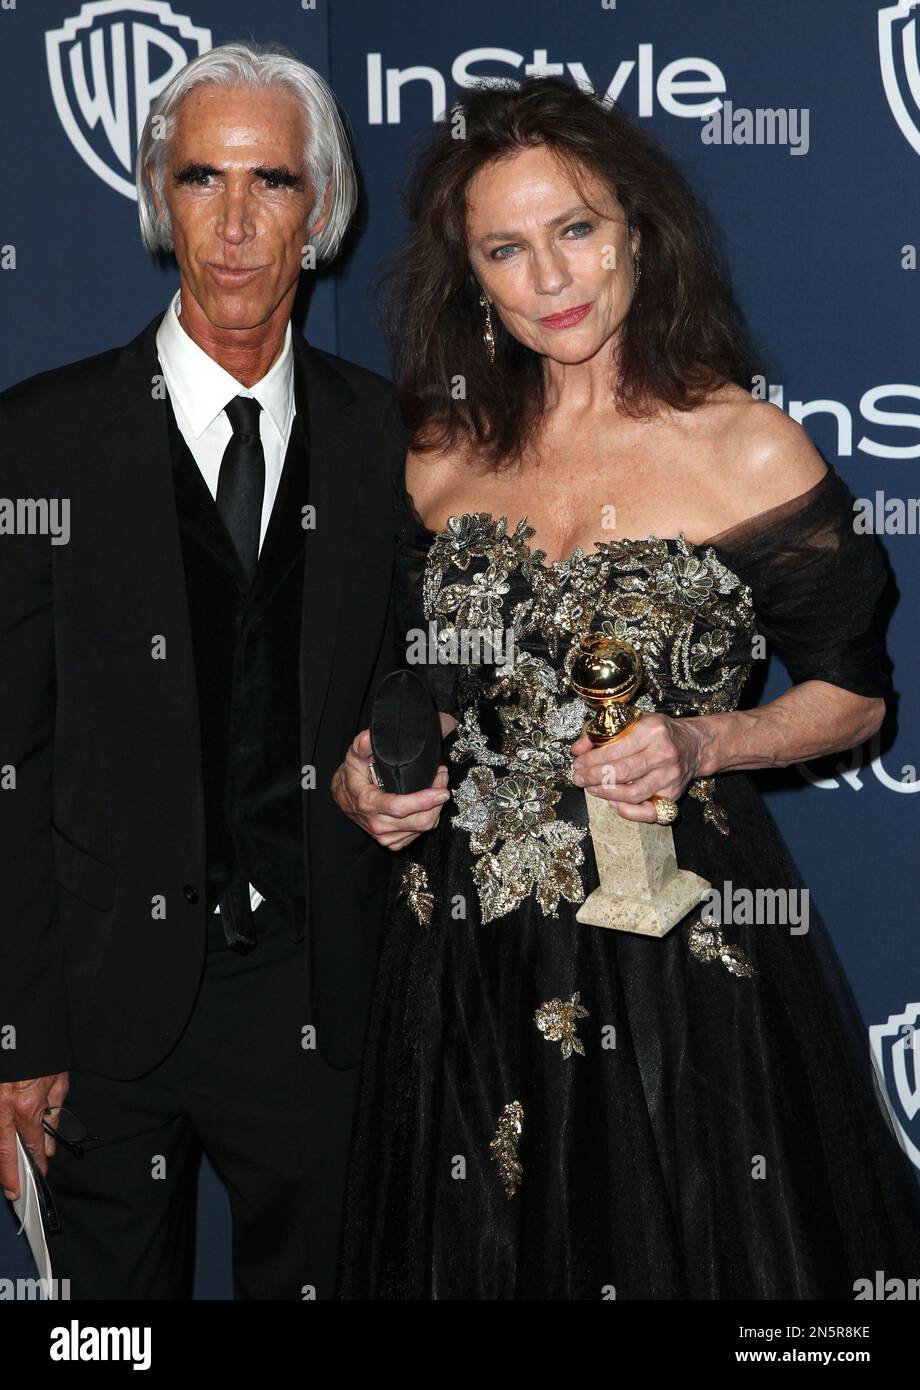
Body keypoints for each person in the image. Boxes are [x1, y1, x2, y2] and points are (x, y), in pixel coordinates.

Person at [331, 76, 920, 1299]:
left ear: (638, 234)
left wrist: (701, 742)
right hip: (463, 954)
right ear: (470, 277)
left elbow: (854, 698)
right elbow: (430, 687)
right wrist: (371, 776)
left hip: (670, 954)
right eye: (506, 247)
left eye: (576, 229)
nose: (550, 278)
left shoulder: (741, 446)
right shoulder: (437, 456)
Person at [0, 40, 420, 1299]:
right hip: (98, 1010)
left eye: (272, 182)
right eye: (201, 179)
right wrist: (17, 1029)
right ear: (156, 200)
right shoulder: (36, 439)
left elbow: (423, 683)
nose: (235, 225)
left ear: (323, 211)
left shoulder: (391, 440)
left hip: (321, 1001)